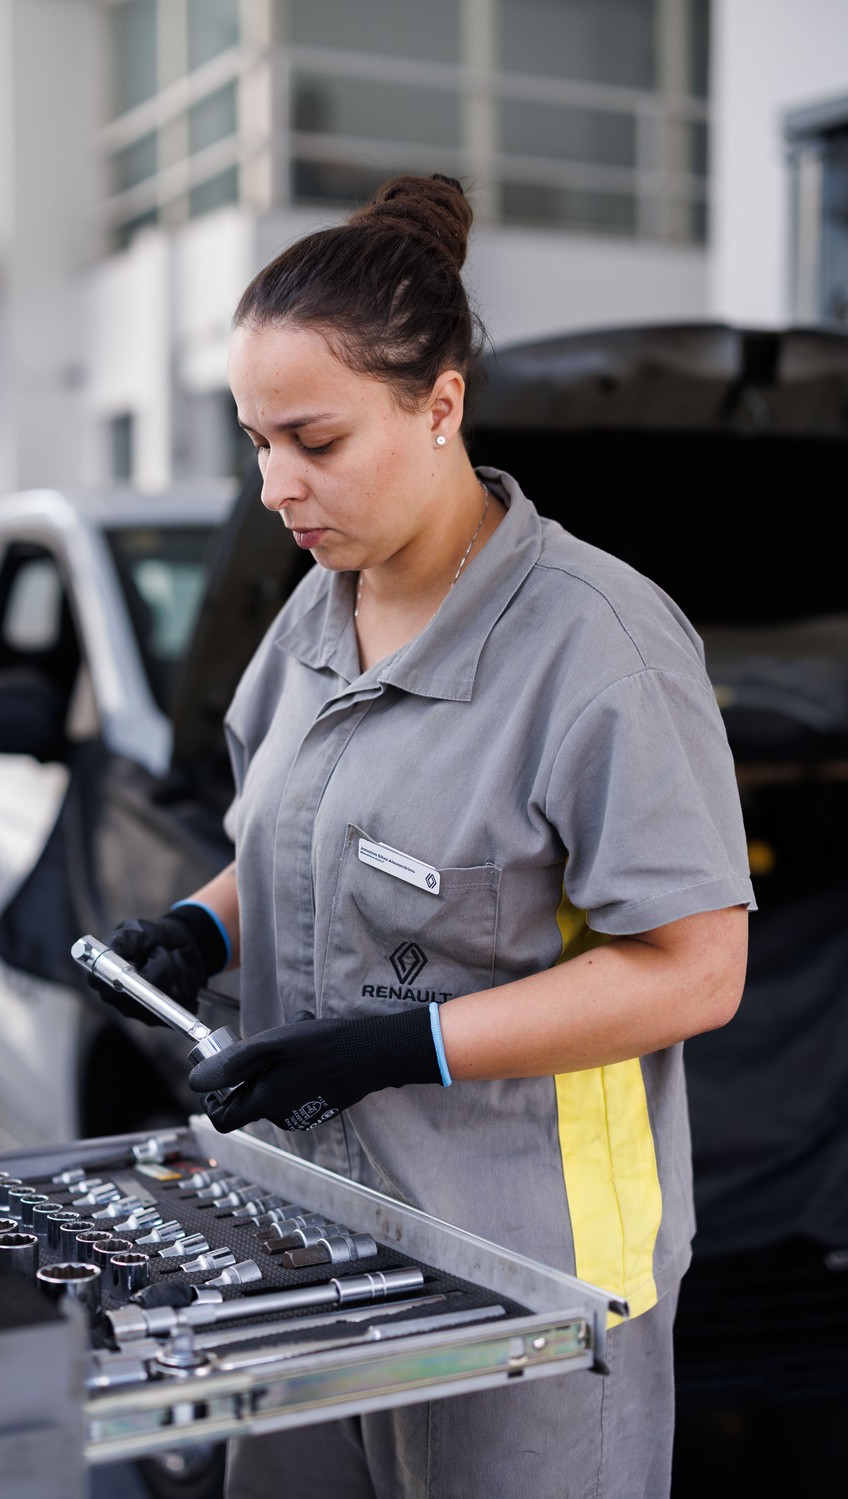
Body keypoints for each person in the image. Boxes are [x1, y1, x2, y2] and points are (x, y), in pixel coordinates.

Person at [98, 174, 754, 1499]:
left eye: (315, 440)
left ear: (441, 404)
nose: (278, 485)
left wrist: (400, 1047)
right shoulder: (307, 621)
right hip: (309, 1242)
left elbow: (697, 968)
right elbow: (304, 848)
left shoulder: (601, 651)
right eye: (256, 441)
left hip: (531, 1283)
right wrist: (198, 926)